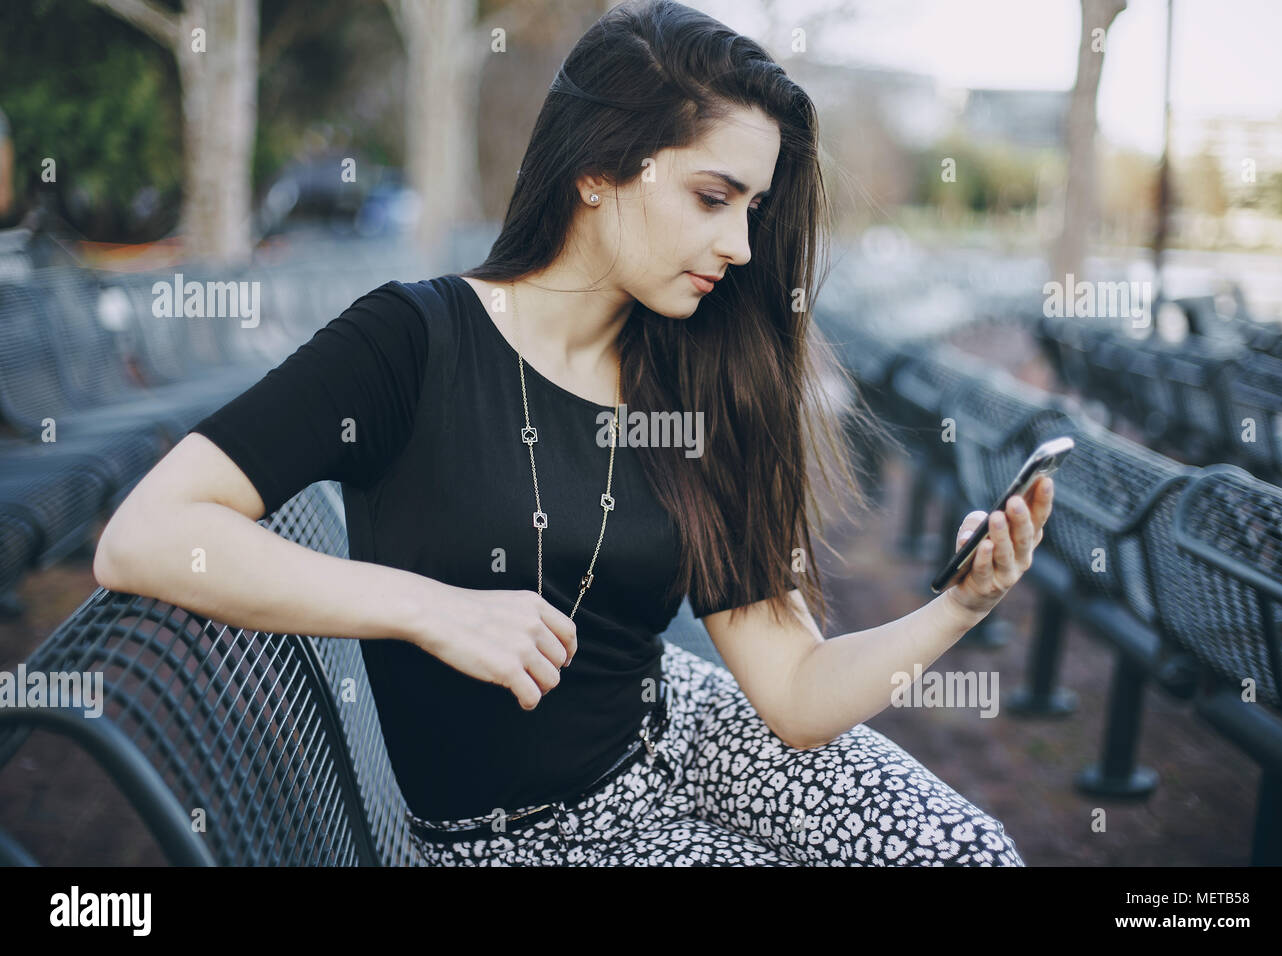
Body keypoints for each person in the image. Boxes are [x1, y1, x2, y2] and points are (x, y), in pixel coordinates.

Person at [93, 0, 1052, 866]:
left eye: (754, 210)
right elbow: (145, 536)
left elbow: (795, 691)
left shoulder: (696, 376)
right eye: (714, 198)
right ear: (597, 167)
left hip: (682, 728)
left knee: (967, 852)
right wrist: (432, 606)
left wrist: (959, 607)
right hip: (520, 839)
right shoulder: (412, 341)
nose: (741, 246)